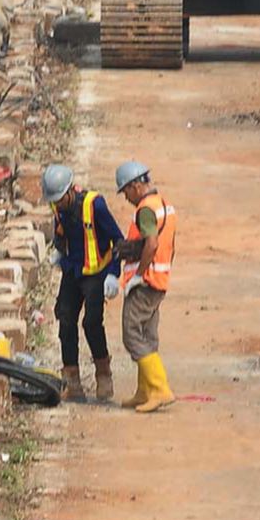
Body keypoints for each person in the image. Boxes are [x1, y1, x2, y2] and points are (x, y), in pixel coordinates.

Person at [43, 163, 123, 403]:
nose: (57, 204)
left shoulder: (94, 205)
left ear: (70, 190)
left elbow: (118, 240)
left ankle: (103, 374)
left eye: (60, 199)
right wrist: (59, 252)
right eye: (54, 201)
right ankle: (72, 381)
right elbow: (62, 233)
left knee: (91, 323)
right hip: (73, 270)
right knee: (65, 319)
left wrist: (113, 273)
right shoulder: (58, 207)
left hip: (96, 273)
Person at [114, 158, 177, 414]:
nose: (126, 198)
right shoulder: (163, 205)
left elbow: (151, 244)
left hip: (146, 282)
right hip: (159, 280)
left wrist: (138, 276)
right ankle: (145, 391)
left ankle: (160, 389)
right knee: (147, 335)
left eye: (126, 191)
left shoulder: (146, 211)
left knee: (132, 333)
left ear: (135, 186)